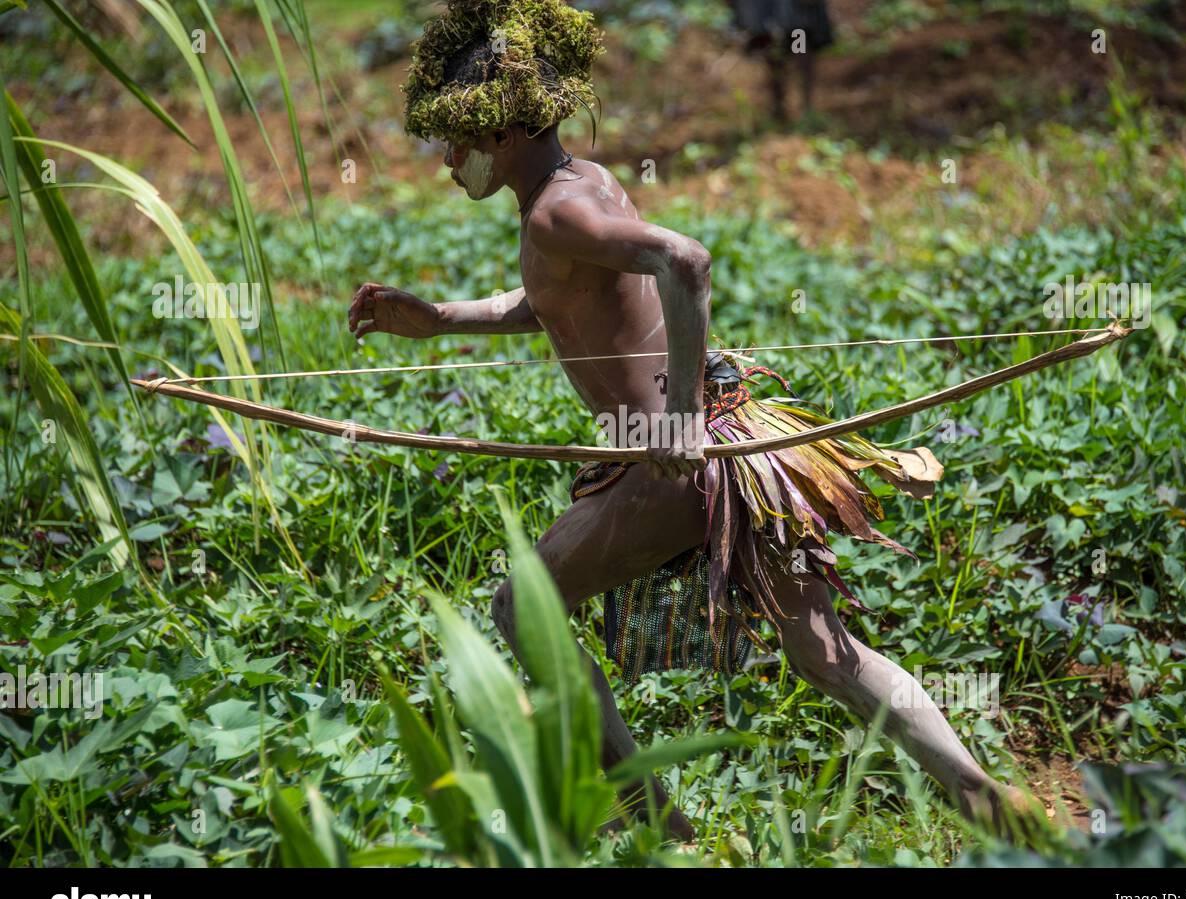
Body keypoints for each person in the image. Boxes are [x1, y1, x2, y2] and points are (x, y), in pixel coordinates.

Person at [349, 0, 1039, 843]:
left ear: (500, 135)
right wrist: (438, 320)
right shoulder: (581, 186)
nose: (447, 162)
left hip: (673, 465)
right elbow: (558, 303)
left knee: (519, 609)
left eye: (456, 142)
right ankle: (985, 798)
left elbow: (685, 260)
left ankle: (662, 832)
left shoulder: (553, 214)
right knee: (826, 655)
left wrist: (676, 425)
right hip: (731, 442)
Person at [730, 0, 835, 121]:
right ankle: (779, 107)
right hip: (770, 16)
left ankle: (805, 107)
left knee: (799, 47)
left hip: (795, 18)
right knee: (774, 51)